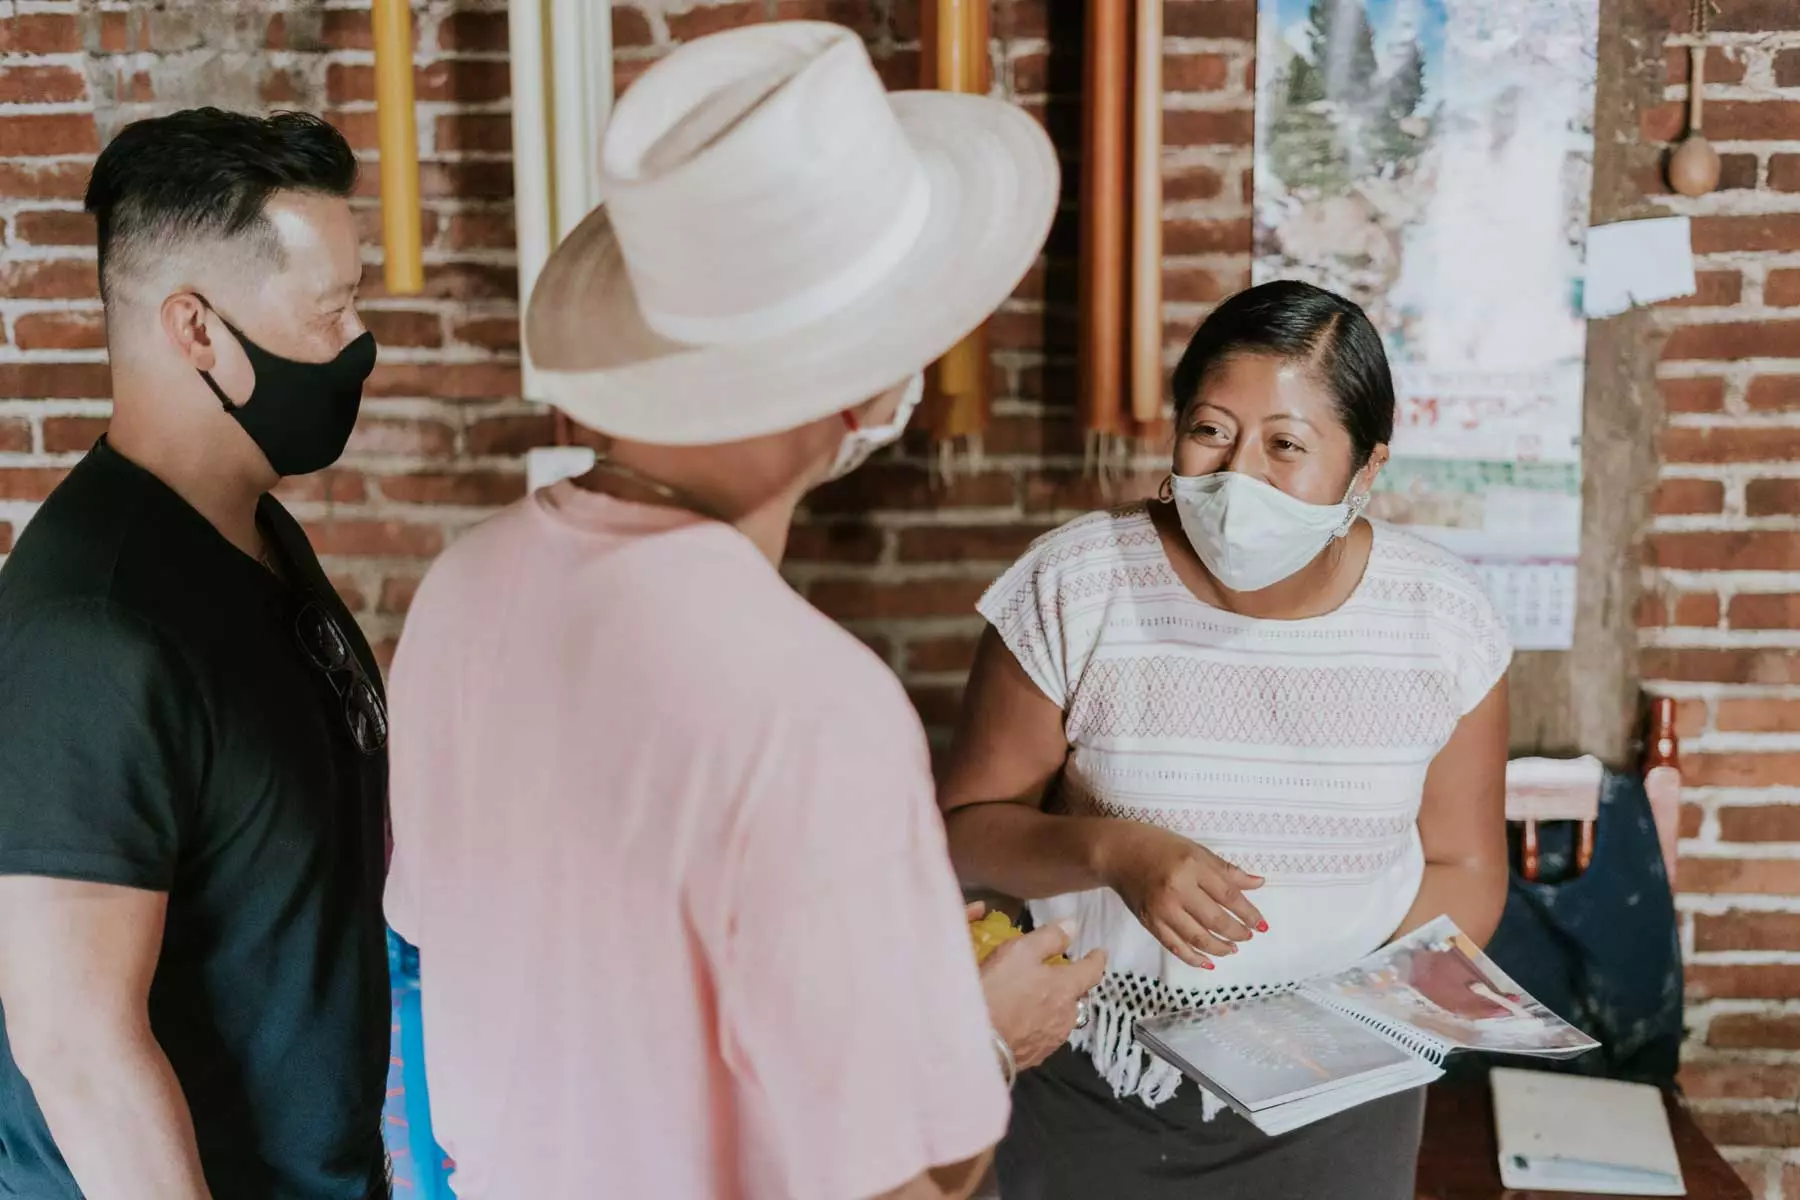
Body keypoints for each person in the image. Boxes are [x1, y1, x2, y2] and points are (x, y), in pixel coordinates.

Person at [383, 21, 1102, 1200]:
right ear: (872, 380)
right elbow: (900, 1180)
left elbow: (463, 939)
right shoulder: (807, 702)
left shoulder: (466, 584)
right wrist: (986, 1040)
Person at [939, 280, 1513, 1199]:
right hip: (1092, 1077)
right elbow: (966, 828)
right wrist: (1111, 849)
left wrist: (1318, 1029)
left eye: (1286, 446)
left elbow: (1466, 868)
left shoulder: (1443, 619)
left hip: (1341, 1097)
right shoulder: (1076, 585)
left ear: (1367, 471)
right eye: (1211, 431)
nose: (1238, 477)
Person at [0, 110, 390, 1199]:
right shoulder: (95, 626)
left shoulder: (252, 533)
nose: (359, 341)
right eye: (332, 310)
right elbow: (76, 1046)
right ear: (198, 330)